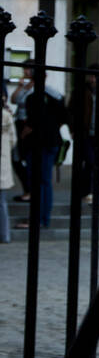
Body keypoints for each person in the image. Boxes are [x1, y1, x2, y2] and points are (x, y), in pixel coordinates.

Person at [20, 77, 69, 229]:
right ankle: (43, 218)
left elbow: (31, 122)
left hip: (38, 143)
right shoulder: (55, 97)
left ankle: (39, 218)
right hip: (52, 141)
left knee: (38, 181)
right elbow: (63, 117)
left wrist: (22, 136)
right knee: (45, 181)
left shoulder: (32, 97)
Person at [76, 63, 99, 205]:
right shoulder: (82, 90)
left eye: (96, 76)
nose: (93, 79)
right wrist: (74, 130)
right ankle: (87, 192)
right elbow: (72, 109)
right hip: (86, 133)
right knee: (90, 162)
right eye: (91, 76)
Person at [10, 60, 35, 200]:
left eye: (27, 69)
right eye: (24, 69)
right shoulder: (24, 86)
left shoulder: (37, 87)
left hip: (29, 125)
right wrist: (19, 87)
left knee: (28, 158)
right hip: (19, 122)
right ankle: (28, 189)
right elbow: (13, 100)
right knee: (17, 158)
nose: (25, 72)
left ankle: (30, 191)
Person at [0, 83, 14, 243]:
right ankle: (5, 235)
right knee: (2, 203)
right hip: (3, 163)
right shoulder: (7, 116)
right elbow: (13, 140)